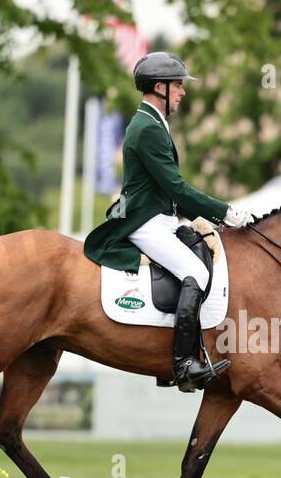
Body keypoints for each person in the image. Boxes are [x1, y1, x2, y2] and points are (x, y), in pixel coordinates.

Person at [83, 52, 254, 392]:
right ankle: (182, 365)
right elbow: (175, 186)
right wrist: (226, 212)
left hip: (161, 218)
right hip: (145, 222)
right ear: (158, 87)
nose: (183, 92)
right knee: (197, 273)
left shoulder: (153, 123)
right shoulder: (146, 127)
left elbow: (168, 191)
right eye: (177, 86)